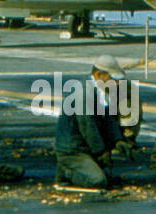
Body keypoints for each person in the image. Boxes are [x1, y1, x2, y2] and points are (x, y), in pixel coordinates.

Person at [54, 55, 127, 188]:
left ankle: (89, 166)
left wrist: (118, 140)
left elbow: (109, 118)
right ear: (99, 75)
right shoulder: (83, 93)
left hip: (85, 147)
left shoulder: (102, 90)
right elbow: (87, 126)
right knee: (98, 181)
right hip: (73, 150)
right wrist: (100, 152)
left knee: (106, 177)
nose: (116, 83)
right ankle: (66, 171)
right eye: (112, 79)